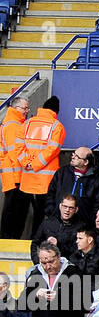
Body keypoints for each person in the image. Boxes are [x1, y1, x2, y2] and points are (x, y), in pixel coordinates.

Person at [7, 96, 65, 245]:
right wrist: (36, 164)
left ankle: (15, 240)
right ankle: (35, 240)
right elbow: (52, 149)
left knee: (21, 212)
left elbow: (18, 146)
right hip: (45, 180)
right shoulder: (56, 126)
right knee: (41, 213)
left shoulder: (26, 124)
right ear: (55, 111)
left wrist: (27, 162)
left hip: (26, 177)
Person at [0, 93, 29, 240]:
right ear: (16, 108)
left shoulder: (14, 122)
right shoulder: (12, 124)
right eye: (25, 108)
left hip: (13, 174)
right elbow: (14, 152)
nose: (27, 111)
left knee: (14, 210)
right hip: (14, 175)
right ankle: (8, 238)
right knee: (13, 210)